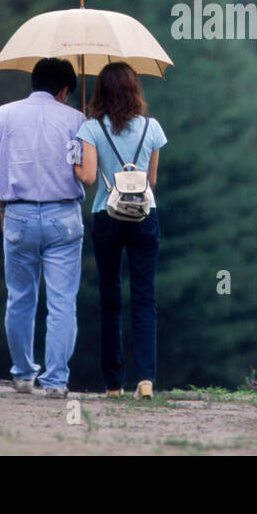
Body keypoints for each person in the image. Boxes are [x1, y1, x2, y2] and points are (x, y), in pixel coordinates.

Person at [0, 57, 85, 398]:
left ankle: (23, 375)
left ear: (34, 82)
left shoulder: (2, 115)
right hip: (63, 217)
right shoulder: (76, 119)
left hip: (18, 215)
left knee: (20, 297)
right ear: (64, 90)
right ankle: (56, 381)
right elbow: (85, 171)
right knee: (63, 301)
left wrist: (0, 205)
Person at [74, 62, 167, 399]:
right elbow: (152, 181)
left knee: (110, 298)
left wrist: (75, 161)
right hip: (145, 215)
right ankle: (146, 380)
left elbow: (88, 176)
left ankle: (114, 384)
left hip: (107, 214)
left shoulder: (92, 128)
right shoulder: (152, 128)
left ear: (100, 92)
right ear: (134, 91)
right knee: (144, 297)